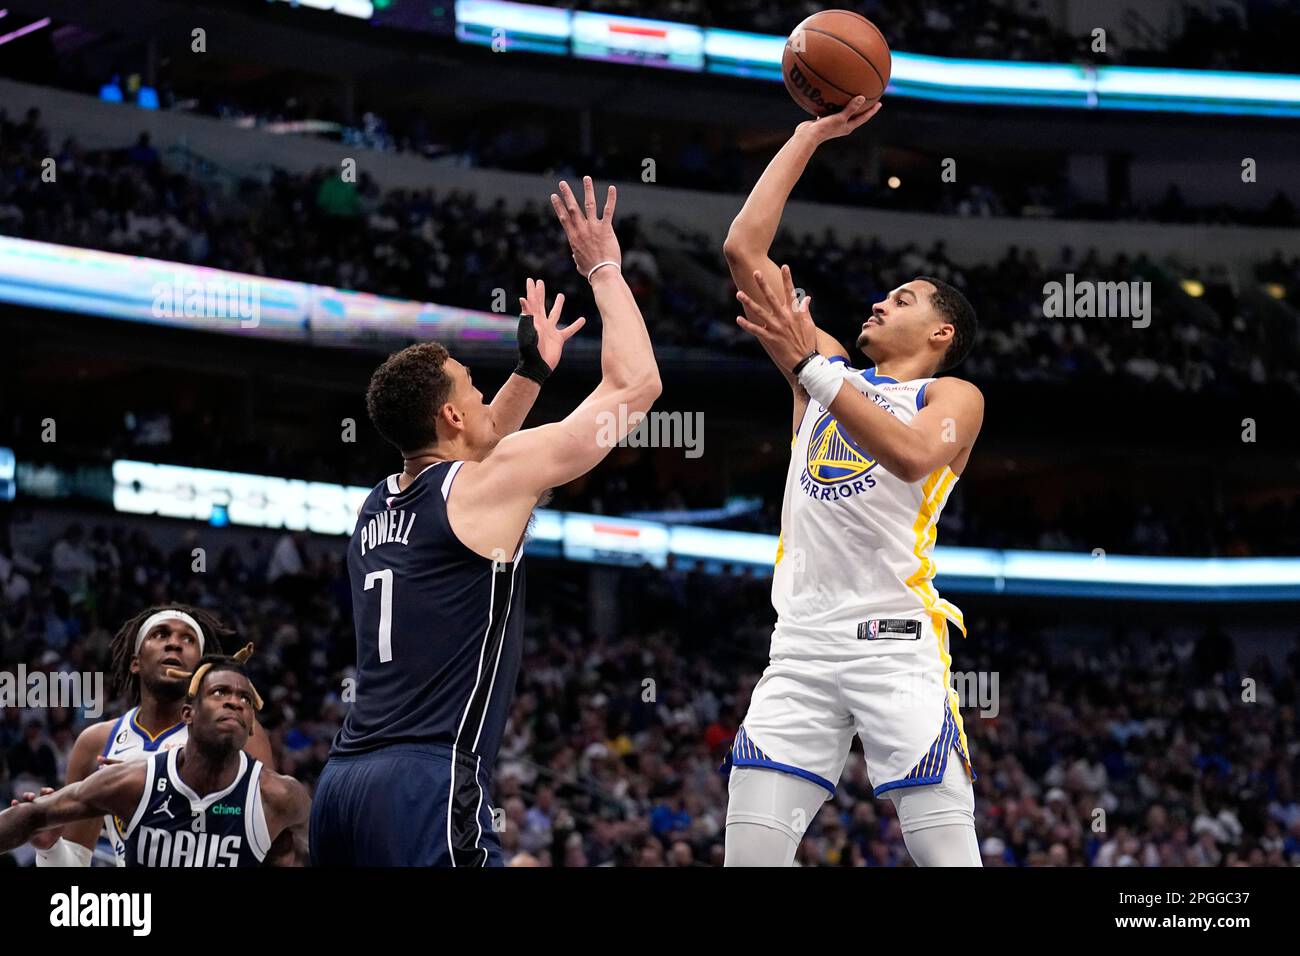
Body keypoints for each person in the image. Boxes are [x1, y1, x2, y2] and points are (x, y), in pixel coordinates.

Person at [310, 176, 661, 866]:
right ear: (449, 415)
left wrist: (531, 370)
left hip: (343, 788)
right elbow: (635, 387)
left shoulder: (378, 503)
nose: (482, 393)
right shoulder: (479, 488)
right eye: (473, 385)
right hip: (424, 779)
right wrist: (604, 266)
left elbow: (485, 440)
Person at [721, 96, 985, 866]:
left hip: (896, 647)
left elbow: (907, 456)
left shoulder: (950, 397)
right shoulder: (825, 372)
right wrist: (804, 137)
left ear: (941, 335)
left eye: (902, 299)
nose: (879, 299)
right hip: (798, 648)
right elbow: (744, 249)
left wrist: (812, 370)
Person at [0, 655, 309, 867]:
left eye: (245, 699)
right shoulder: (134, 782)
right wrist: (48, 845)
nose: (234, 702)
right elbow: (34, 815)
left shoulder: (278, 796)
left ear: (252, 724)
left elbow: (337, 844)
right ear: (188, 714)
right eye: (220, 692)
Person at [26, 605, 274, 866]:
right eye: (160, 634)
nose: (174, 644)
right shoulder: (96, 743)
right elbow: (74, 862)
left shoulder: (235, 732)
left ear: (202, 668)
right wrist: (50, 849)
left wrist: (146, 787)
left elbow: (265, 847)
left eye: (188, 639)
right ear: (135, 662)